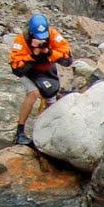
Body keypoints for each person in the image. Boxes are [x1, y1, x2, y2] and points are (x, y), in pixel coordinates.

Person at [9, 13, 72, 145]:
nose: (42, 40)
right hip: (29, 72)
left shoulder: (53, 35)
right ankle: (20, 132)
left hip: (46, 71)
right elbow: (17, 68)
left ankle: (49, 134)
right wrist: (33, 55)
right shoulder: (22, 40)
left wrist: (49, 52)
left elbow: (67, 59)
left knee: (51, 99)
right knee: (34, 93)